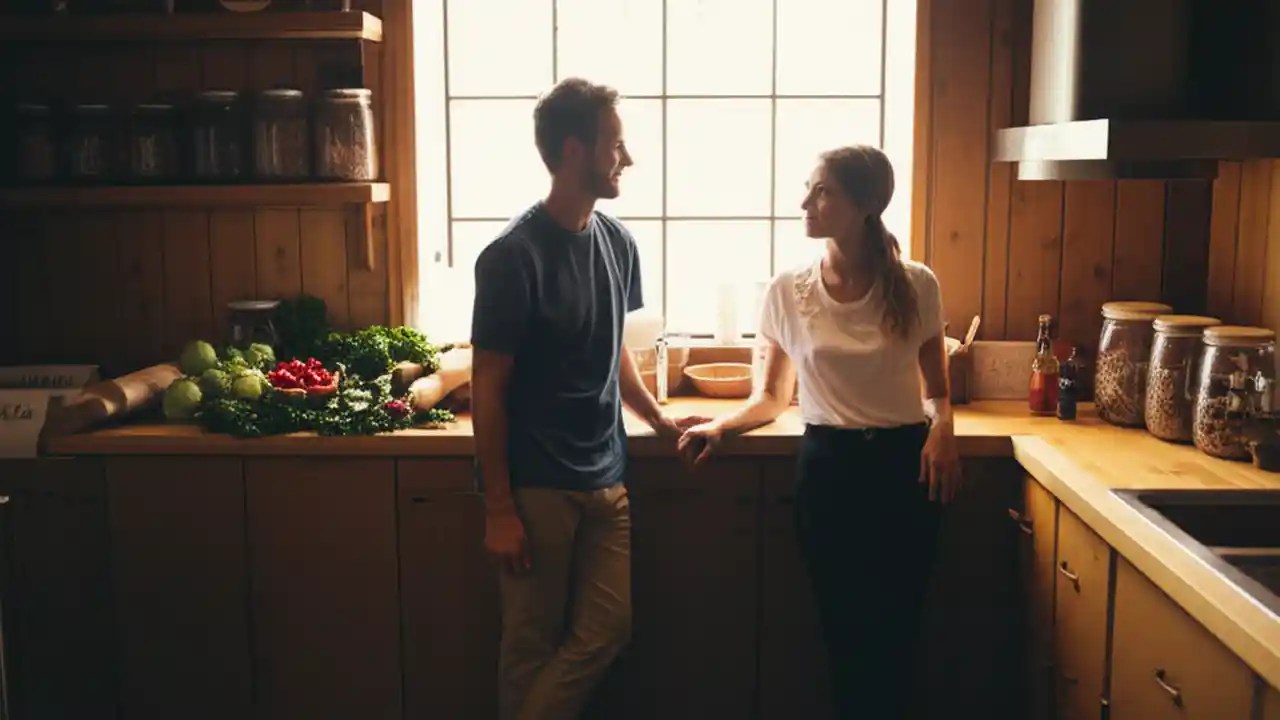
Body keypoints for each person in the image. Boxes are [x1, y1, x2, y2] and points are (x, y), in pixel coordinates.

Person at [677, 145, 962, 719]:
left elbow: (938, 387)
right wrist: (720, 427)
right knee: (842, 631)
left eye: (822, 191)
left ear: (864, 204)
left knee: (899, 630)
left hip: (905, 470)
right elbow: (771, 397)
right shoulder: (788, 290)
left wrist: (943, 430)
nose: (805, 202)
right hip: (829, 473)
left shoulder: (917, 283)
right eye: (809, 189)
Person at [470, 77, 707, 720]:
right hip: (537, 488)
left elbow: (613, 351)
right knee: (529, 645)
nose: (625, 159)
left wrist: (658, 418)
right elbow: (487, 386)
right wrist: (498, 507)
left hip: (608, 477)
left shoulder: (617, 242)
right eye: (616, 145)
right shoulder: (511, 257)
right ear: (575, 151)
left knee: (609, 630)